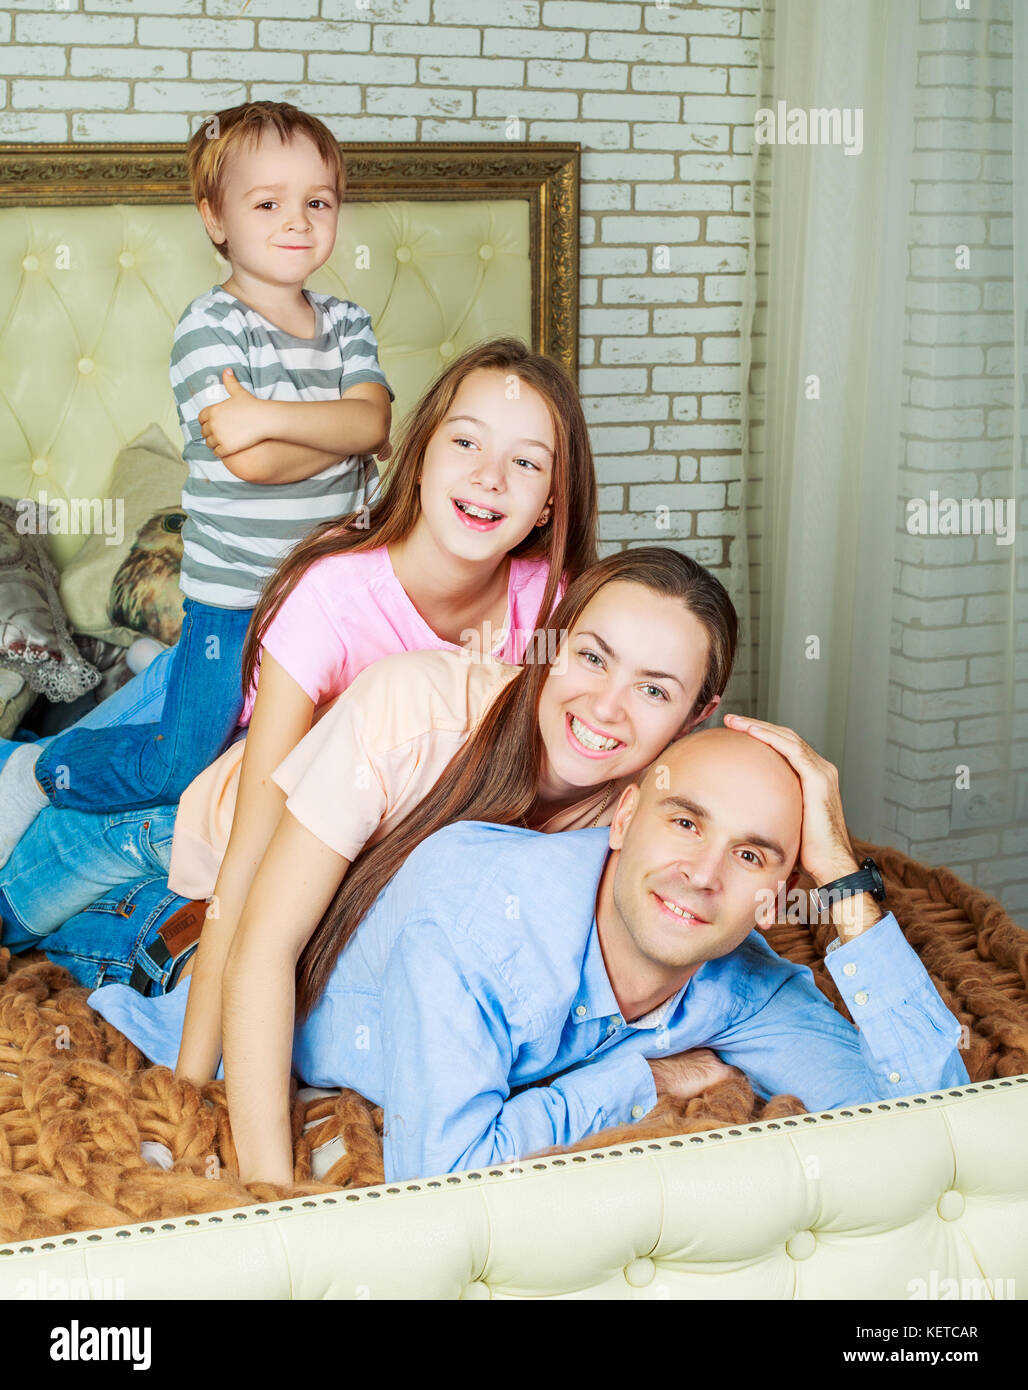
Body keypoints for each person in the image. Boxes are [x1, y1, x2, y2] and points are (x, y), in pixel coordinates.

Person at [0, 332, 599, 1048]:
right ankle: (32, 761)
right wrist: (195, 1077)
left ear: (548, 505)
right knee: (147, 790)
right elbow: (254, 842)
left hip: (310, 781)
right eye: (466, 443)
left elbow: (629, 732)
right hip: (224, 726)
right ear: (420, 457)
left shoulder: (552, 608)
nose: (492, 476)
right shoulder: (335, 594)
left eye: (527, 462)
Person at [82, 547, 741, 1183]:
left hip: (274, 882)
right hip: (186, 887)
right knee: (40, 862)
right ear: (553, 641)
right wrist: (271, 1190)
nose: (605, 706)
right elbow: (261, 945)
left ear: (696, 717)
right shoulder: (414, 706)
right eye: (592, 657)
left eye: (654, 690)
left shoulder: (654, 822)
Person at [110, 717, 968, 1185]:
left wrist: (844, 877)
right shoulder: (472, 925)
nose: (703, 876)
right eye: (684, 821)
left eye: (753, 856)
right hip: (174, 941)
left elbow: (939, 1123)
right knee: (117, 828)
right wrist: (644, 1081)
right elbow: (441, 1174)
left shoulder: (745, 989)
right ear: (625, 818)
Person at [0, 98, 394, 863]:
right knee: (186, 759)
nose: (299, 221)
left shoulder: (347, 322)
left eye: (319, 202)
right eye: (268, 203)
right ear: (216, 219)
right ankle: (40, 768)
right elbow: (255, 465)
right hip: (236, 599)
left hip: (331, 592)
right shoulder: (209, 326)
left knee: (304, 755)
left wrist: (271, 414)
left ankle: (160, 675)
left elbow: (374, 423)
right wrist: (336, 434)